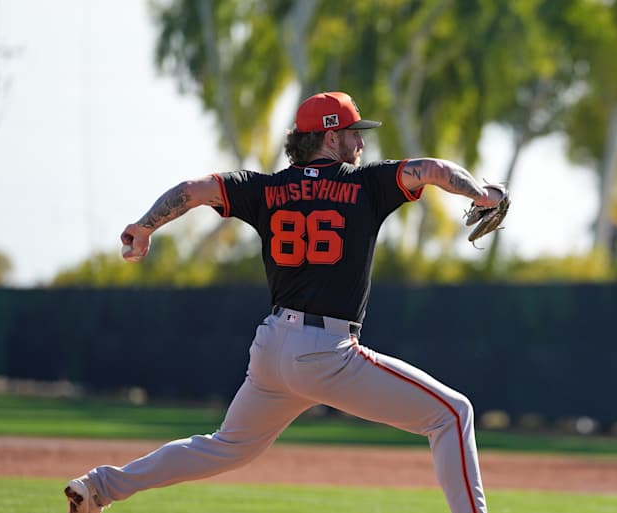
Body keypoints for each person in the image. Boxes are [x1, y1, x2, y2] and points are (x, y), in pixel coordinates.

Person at [63, 91, 502, 513]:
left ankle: (98, 487)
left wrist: (144, 227)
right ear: (331, 136)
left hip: (272, 348)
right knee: (452, 414)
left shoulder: (266, 189)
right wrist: (480, 195)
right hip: (327, 352)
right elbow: (431, 169)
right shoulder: (365, 184)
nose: (361, 143)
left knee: (225, 446)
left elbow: (192, 190)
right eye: (354, 133)